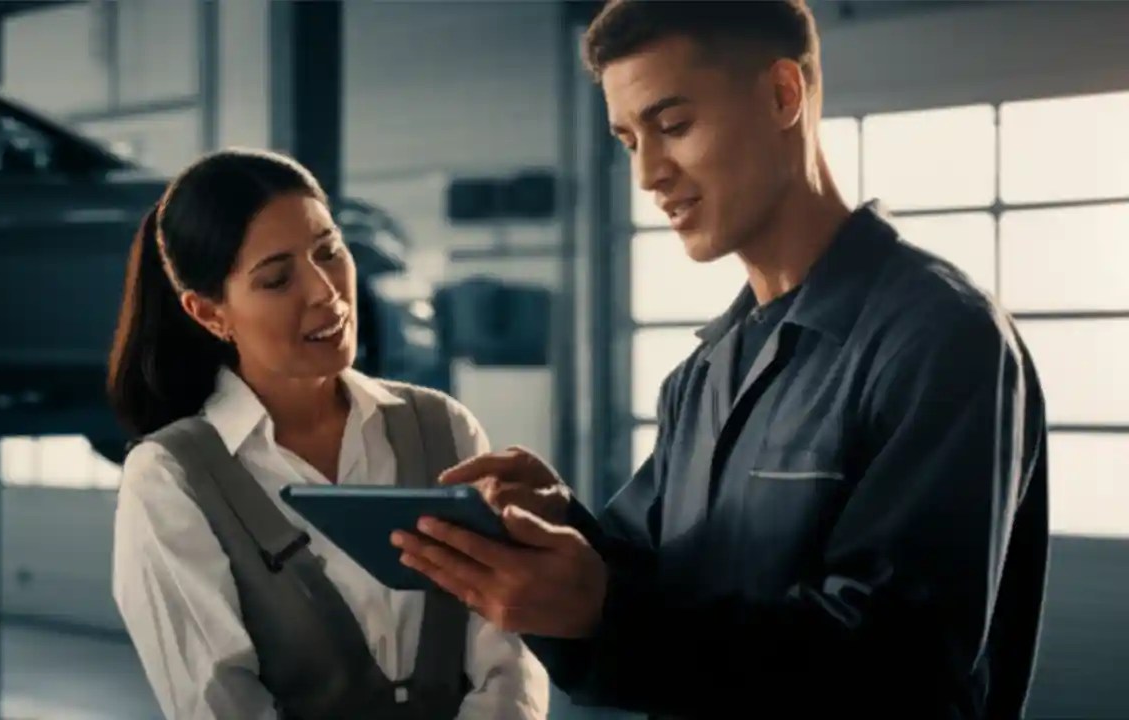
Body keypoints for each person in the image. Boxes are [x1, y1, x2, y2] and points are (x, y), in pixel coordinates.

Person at [392, 2, 1049, 718]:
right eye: (627, 139)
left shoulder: (938, 336)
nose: (648, 173)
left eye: (673, 126)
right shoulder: (706, 371)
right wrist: (560, 527)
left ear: (781, 95)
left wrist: (603, 611)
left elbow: (900, 667)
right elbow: (652, 582)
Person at [106, 148, 549, 720]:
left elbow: (507, 651)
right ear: (209, 313)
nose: (325, 291)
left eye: (329, 251)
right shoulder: (172, 477)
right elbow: (219, 703)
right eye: (277, 278)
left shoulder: (441, 427)